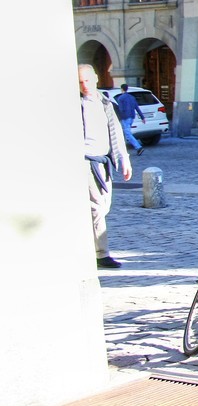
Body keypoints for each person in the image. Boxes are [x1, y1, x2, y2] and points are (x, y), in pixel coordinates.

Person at [79, 64, 132, 269]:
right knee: (97, 208)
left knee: (104, 205)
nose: (84, 85)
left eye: (87, 80)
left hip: (103, 162)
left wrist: (123, 159)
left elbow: (115, 132)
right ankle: (101, 254)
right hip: (85, 161)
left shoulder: (105, 101)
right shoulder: (76, 103)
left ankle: (89, 246)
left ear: (95, 78)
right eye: (80, 81)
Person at [113, 83, 146, 155]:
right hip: (131, 117)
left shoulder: (120, 98)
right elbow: (137, 108)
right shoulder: (132, 97)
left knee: (127, 134)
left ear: (122, 89)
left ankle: (138, 147)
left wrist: (118, 117)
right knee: (126, 133)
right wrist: (142, 117)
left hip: (125, 117)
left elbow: (121, 109)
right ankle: (123, 149)